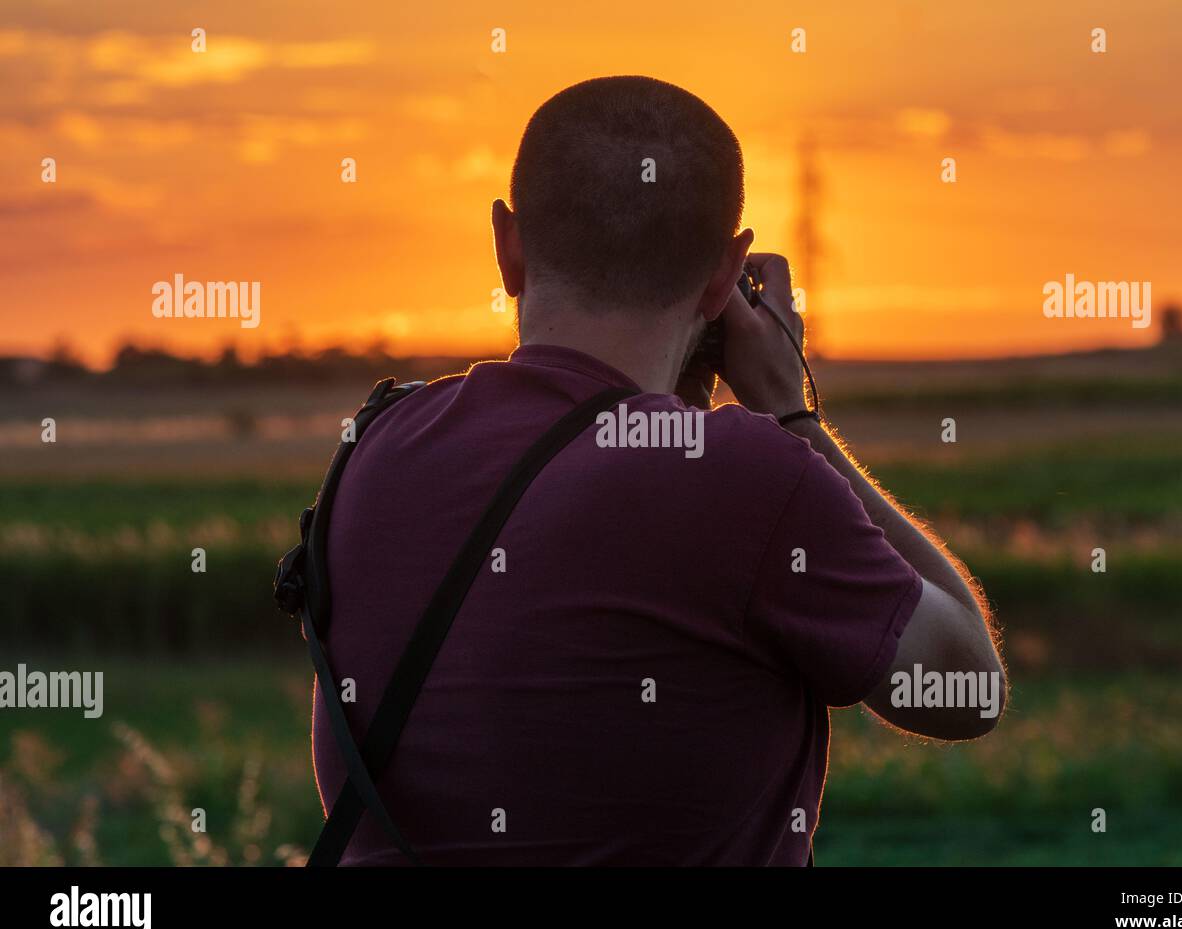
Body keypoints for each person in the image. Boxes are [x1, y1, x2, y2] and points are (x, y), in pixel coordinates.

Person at [313, 75, 1004, 866]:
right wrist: (789, 413)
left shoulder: (381, 441)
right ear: (725, 274)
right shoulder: (746, 475)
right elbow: (965, 692)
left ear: (508, 245)